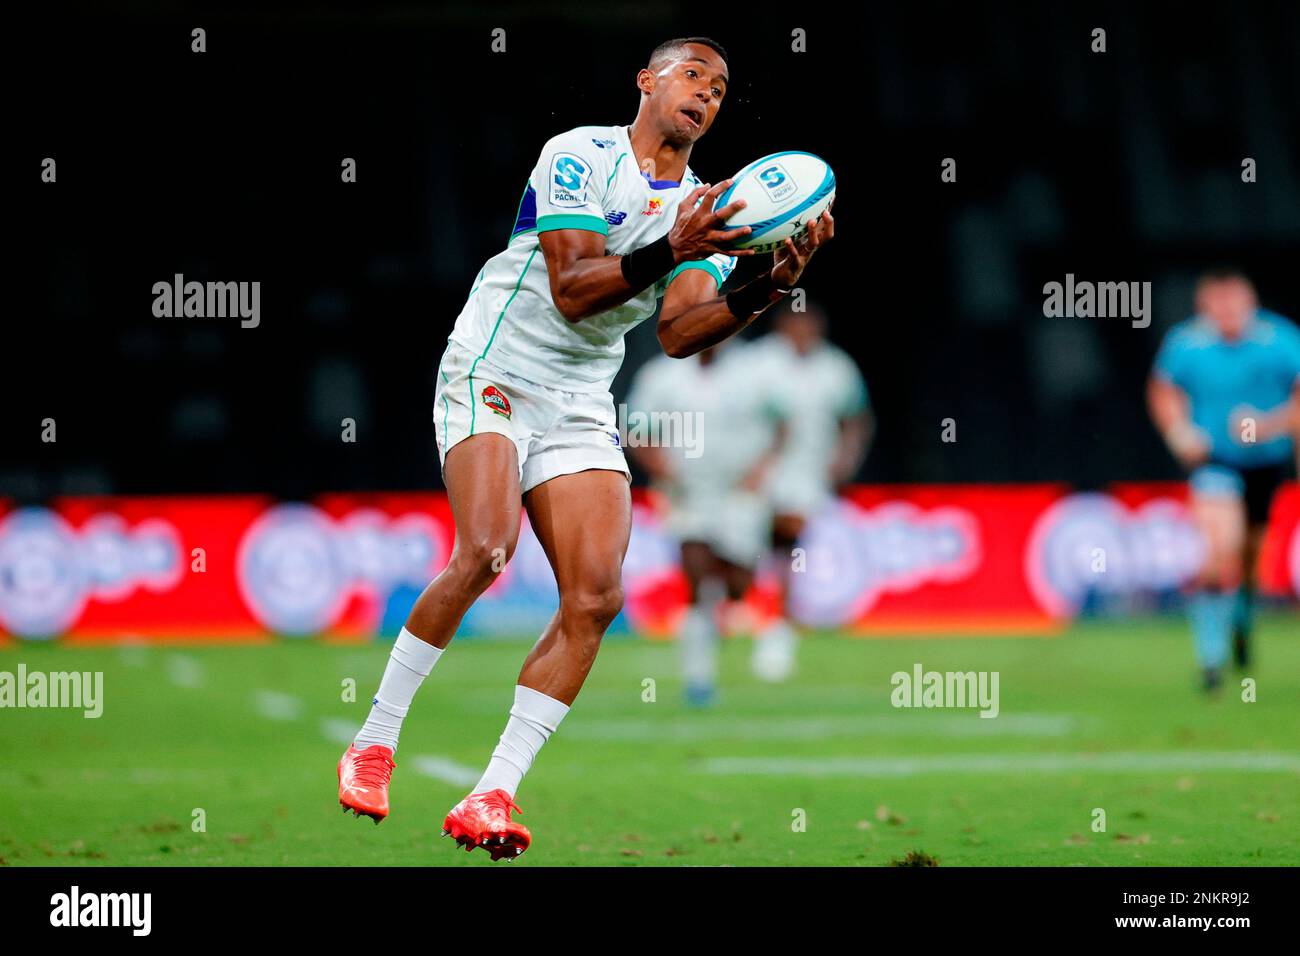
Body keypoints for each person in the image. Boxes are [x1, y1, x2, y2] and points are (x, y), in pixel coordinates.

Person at [336, 36, 836, 859]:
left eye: (718, 89)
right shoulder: (579, 155)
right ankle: (375, 740)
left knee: (597, 597)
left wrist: (768, 285)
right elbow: (572, 291)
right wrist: (680, 243)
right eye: (691, 75)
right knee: (487, 549)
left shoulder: (707, 205)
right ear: (647, 81)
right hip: (493, 364)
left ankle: (492, 792)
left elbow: (679, 332)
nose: (706, 94)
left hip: (577, 398)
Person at [1147, 268, 1300, 692]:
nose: (1228, 311)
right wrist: (1179, 430)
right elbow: (1163, 390)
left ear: (1251, 303)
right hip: (1214, 461)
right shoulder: (1186, 344)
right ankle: (1211, 659)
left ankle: (1242, 619)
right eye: (1219, 303)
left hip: (1266, 463)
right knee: (1218, 548)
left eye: (1235, 302)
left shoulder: (1281, 340)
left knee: (1251, 556)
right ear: (1205, 307)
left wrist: (1266, 425)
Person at [625, 338, 787, 705]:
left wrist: (762, 470)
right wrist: (661, 469)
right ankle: (699, 676)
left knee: (737, 582)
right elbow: (636, 429)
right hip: (688, 493)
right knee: (697, 573)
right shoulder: (662, 375)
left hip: (739, 492)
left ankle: (766, 629)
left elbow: (783, 424)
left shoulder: (755, 371)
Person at [748, 304, 871, 681]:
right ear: (783, 326)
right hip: (751, 470)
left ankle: (777, 628)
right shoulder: (759, 363)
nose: (804, 333)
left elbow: (857, 417)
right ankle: (755, 619)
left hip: (805, 473)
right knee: (750, 548)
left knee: (788, 542)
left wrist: (846, 458)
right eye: (797, 325)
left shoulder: (836, 367)